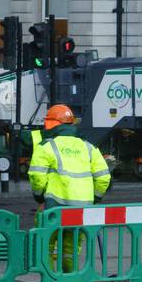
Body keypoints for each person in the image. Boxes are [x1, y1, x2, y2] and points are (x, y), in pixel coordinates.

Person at [29, 104, 111, 272]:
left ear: (51, 125)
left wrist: (39, 196)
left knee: (46, 246)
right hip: (82, 209)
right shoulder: (88, 147)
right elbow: (104, 177)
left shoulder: (46, 146)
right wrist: (96, 198)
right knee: (70, 250)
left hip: (54, 208)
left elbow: (37, 176)